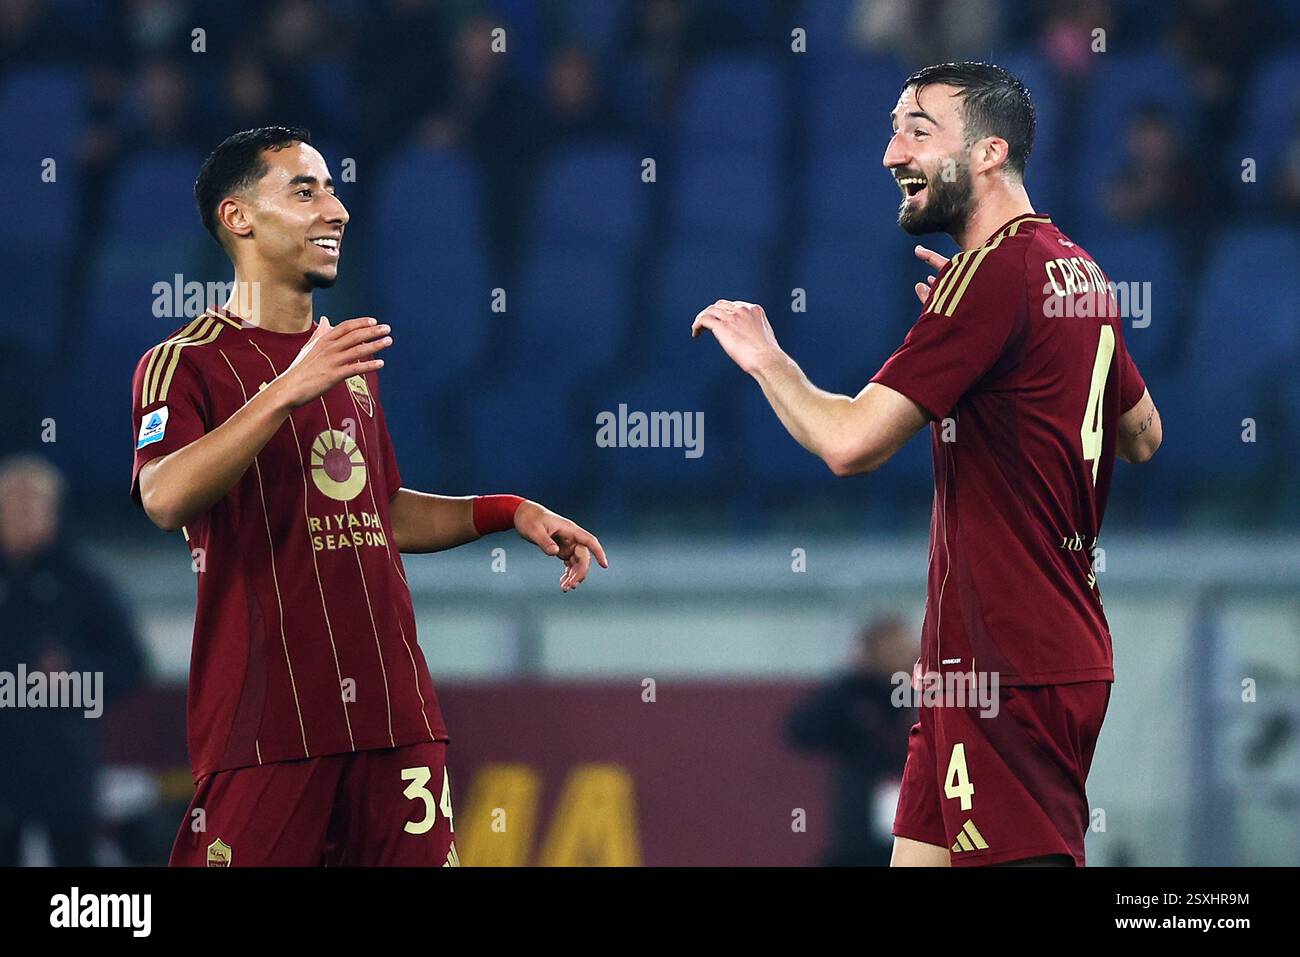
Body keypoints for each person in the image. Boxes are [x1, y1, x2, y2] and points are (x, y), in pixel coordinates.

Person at [693, 62, 1162, 866]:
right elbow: (1143, 433)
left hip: (1012, 665)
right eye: (892, 129)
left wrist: (768, 359)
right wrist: (1008, 344)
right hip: (975, 668)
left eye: (917, 129)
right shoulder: (1074, 269)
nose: (890, 152)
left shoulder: (995, 278)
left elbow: (849, 443)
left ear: (987, 152)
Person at [131, 126, 607, 867]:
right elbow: (163, 497)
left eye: (332, 188)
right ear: (239, 218)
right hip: (270, 727)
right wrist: (285, 391)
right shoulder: (183, 364)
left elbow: (375, 512)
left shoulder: (347, 361)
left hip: (396, 715)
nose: (337, 209)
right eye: (305, 189)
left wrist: (508, 511)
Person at [0, 454, 147, 865]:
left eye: (32, 505)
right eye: (11, 505)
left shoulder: (85, 583)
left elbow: (131, 665)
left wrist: (75, 675)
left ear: (53, 511)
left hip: (64, 759)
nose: (21, 515)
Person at [786, 616, 917, 866]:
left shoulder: (924, 691)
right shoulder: (851, 695)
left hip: (915, 821)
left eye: (906, 648)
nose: (902, 656)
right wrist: (853, 678)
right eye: (892, 648)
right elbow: (799, 729)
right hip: (860, 830)